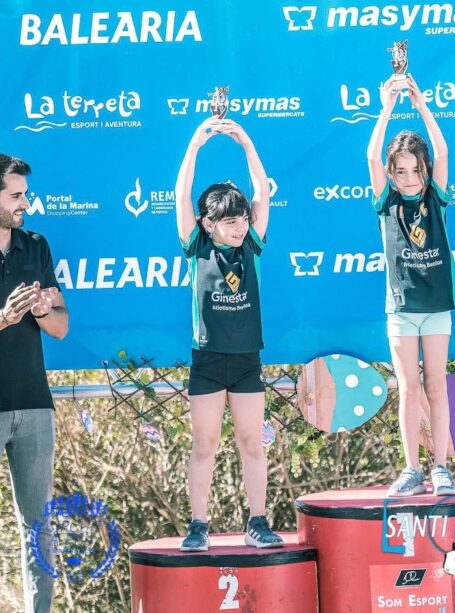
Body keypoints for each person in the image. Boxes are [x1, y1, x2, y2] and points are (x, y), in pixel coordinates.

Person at [174, 117, 282, 551]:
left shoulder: (252, 246)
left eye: (242, 219)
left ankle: (257, 521)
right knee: (205, 444)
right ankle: (199, 525)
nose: (238, 226)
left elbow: (262, 189)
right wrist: (195, 146)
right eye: (229, 221)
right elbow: (181, 194)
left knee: (251, 443)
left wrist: (247, 143)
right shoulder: (195, 245)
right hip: (208, 361)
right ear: (207, 223)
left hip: (245, 361)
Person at [367, 74, 455, 497]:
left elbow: (442, 150)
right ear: (391, 175)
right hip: (401, 309)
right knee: (408, 388)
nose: (409, 178)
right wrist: (387, 105)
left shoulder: (435, 198)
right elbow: (372, 155)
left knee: (436, 385)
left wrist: (421, 102)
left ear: (425, 170)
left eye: (415, 170)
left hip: (437, 304)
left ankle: (441, 466)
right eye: (401, 171)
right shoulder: (386, 202)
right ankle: (412, 469)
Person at [0, 154, 68, 613]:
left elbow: (62, 326)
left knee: (38, 528)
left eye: (25, 193)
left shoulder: (36, 245)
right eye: (16, 195)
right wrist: (3, 318)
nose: (26, 202)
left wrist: (42, 311)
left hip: (34, 404)